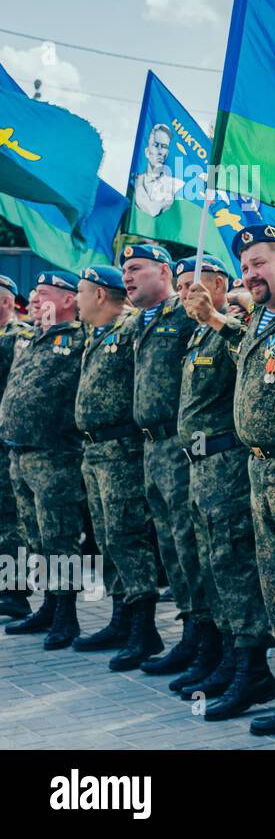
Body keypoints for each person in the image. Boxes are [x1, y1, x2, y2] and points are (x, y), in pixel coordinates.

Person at [184, 224, 275, 737]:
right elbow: (243, 347)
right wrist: (218, 319)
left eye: (262, 264)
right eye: (245, 266)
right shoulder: (263, 324)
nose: (253, 274)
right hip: (258, 470)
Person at [176, 256, 275, 720]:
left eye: (192, 285)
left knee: (234, 564)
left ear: (218, 284)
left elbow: (254, 352)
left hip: (226, 464)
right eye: (179, 287)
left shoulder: (234, 325)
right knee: (213, 563)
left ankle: (253, 668)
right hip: (200, 466)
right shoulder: (200, 331)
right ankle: (229, 657)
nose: (185, 294)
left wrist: (220, 314)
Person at [121, 244, 212, 684]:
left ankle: (206, 635)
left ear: (163, 271)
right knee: (170, 546)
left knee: (189, 540)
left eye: (136, 268)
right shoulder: (142, 322)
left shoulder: (183, 315)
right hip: (151, 446)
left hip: (181, 444)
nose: (127, 277)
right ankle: (190, 628)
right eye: (124, 271)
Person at [71, 267, 162, 670]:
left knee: (128, 535)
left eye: (81, 291)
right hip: (96, 452)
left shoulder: (130, 328)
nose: (77, 299)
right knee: (108, 538)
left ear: (100, 296)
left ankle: (143, 629)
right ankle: (120, 616)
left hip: (122, 449)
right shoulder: (99, 335)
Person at [0, 271, 89, 648]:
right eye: (34, 294)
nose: (35, 300)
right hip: (22, 455)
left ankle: (67, 616)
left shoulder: (81, 339)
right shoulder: (32, 339)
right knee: (36, 538)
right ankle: (49, 606)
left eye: (45, 293)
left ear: (70, 299)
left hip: (57, 456)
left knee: (60, 538)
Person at [0, 274, 34, 620]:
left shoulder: (19, 337)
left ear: (8, 301)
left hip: (8, 445)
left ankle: (14, 591)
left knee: (10, 521)